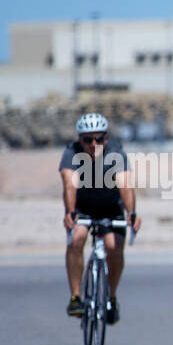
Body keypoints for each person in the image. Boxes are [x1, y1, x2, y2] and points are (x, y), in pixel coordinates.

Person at [61, 112, 140, 323]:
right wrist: (70, 212)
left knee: (114, 247)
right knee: (77, 238)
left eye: (99, 138)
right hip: (83, 208)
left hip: (111, 208)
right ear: (80, 140)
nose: (93, 144)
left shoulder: (116, 153)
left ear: (106, 138)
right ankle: (76, 297)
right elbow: (70, 184)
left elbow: (125, 185)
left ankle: (111, 297)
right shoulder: (72, 153)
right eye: (88, 139)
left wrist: (131, 213)